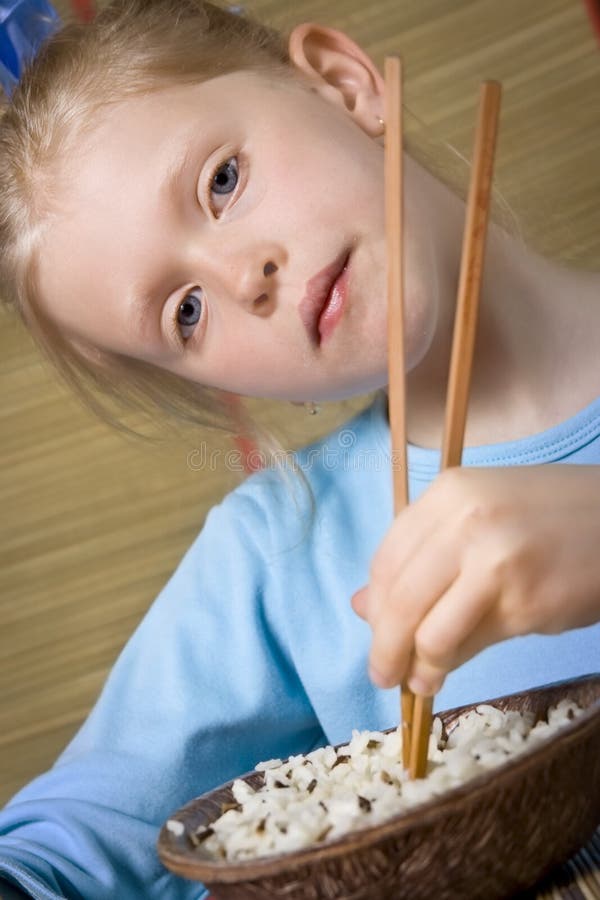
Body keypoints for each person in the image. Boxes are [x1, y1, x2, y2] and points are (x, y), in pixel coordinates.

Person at [0, 0, 598, 896]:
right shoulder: (276, 554)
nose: (245, 276)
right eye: (186, 313)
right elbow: (67, 854)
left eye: (224, 180)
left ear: (345, 84)